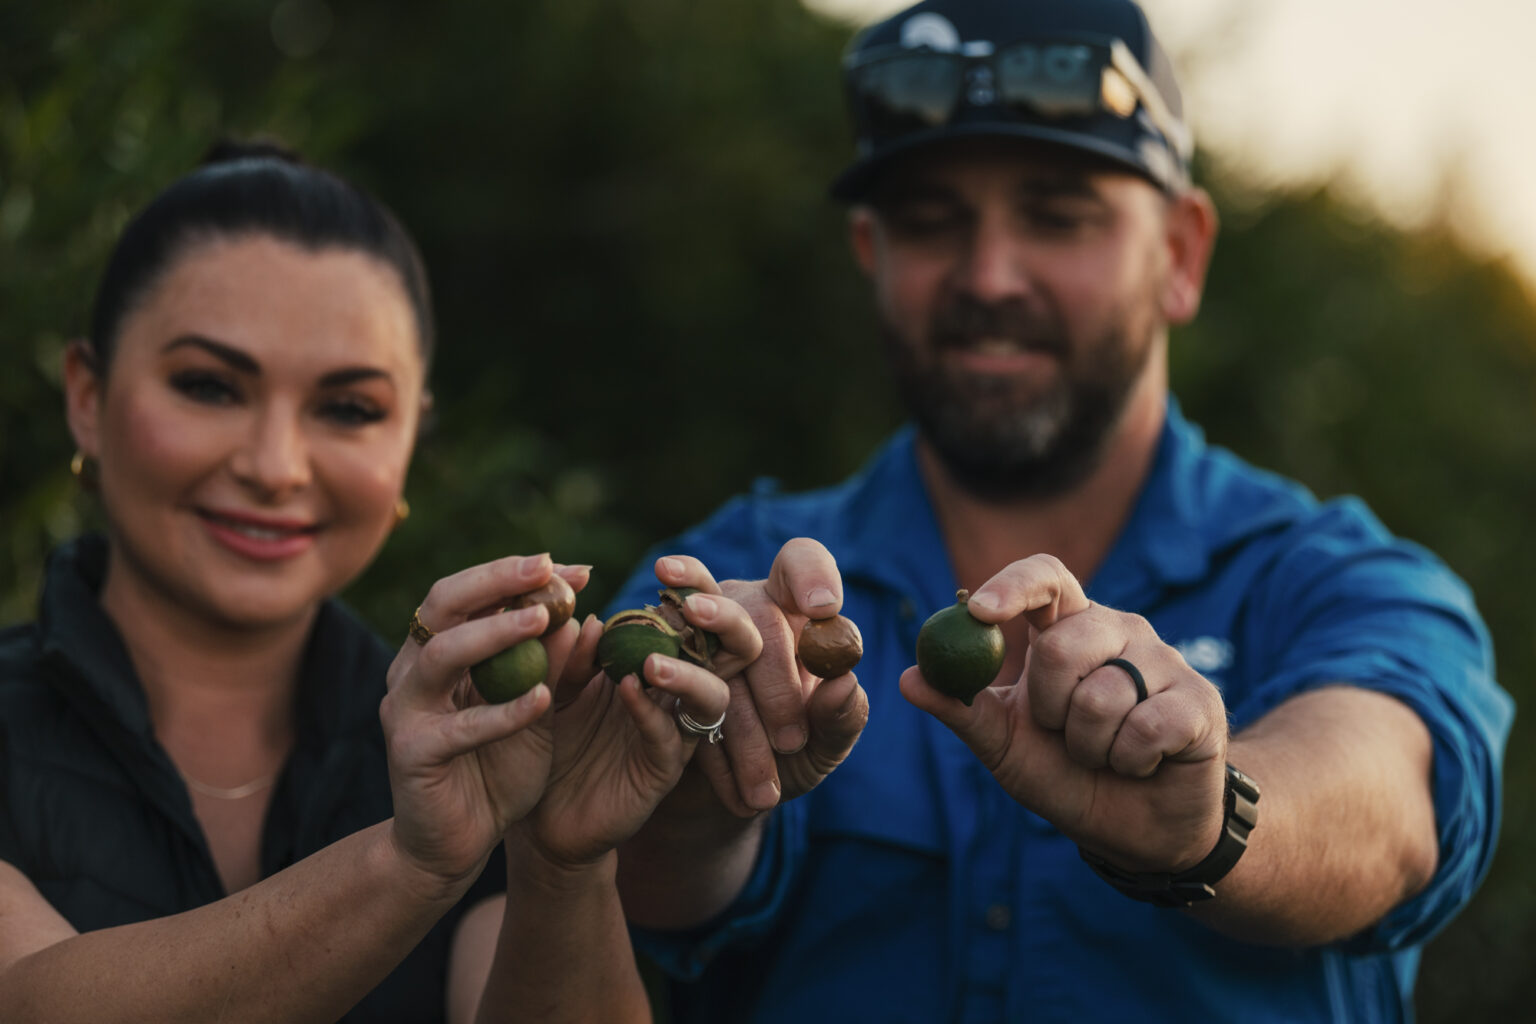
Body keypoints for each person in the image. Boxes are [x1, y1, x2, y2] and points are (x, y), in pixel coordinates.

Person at [605, 1, 1515, 1021]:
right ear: (871, 253)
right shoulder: (726, 579)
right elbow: (630, 888)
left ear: (1179, 253)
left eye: (1060, 215)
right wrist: (693, 787)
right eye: (931, 221)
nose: (990, 277)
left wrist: (1208, 815)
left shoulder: (1341, 577)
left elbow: (1389, 805)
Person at [0, 141, 761, 1023]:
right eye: (209, 386)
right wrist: (410, 867)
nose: (276, 466)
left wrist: (563, 865)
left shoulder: (476, 743)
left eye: (350, 409)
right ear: (87, 398)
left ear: (410, 441)